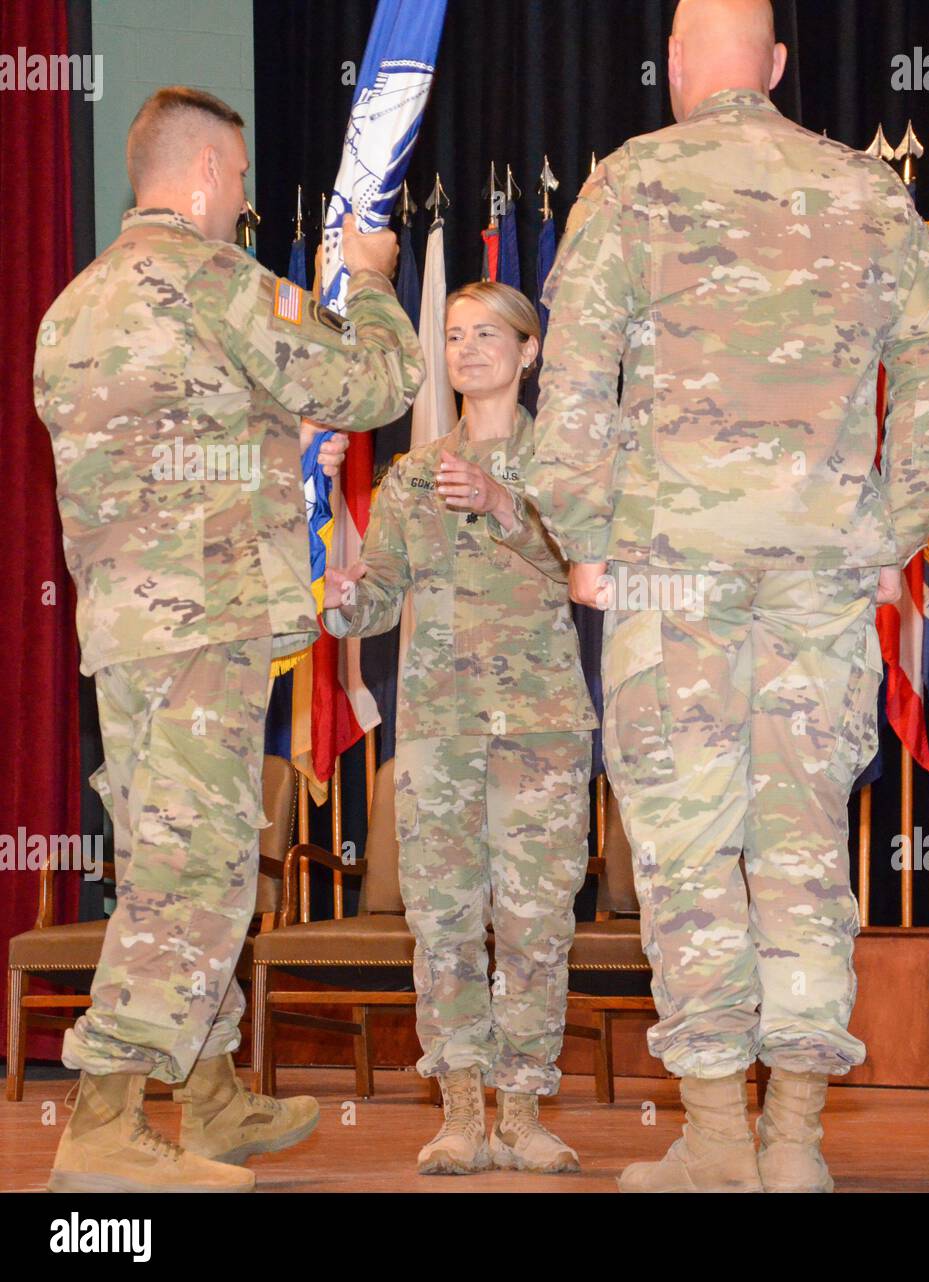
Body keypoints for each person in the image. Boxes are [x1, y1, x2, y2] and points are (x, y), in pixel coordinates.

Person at [525, 0, 929, 1193]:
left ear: (676, 65)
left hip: (671, 574)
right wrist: (895, 523)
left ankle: (718, 1140)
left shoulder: (630, 182)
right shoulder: (868, 189)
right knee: (802, 848)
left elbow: (568, 381)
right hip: (823, 572)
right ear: (773, 66)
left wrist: (581, 529)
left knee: (685, 852)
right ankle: (797, 1142)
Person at [33, 86, 424, 1193]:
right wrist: (378, 279)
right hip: (207, 621)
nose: (243, 201)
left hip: (125, 630)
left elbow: (164, 438)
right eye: (242, 181)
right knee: (196, 873)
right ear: (204, 178)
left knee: (172, 850)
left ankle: (206, 1098)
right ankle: (103, 1123)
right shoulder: (217, 284)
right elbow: (376, 384)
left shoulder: (69, 308)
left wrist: (251, 427)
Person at [322, 281, 597, 1176]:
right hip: (439, 728)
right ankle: (461, 1114)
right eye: (452, 335)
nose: (468, 348)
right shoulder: (409, 476)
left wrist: (503, 503)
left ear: (530, 352)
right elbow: (376, 602)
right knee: (443, 922)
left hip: (542, 728)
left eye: (489, 334)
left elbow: (587, 572)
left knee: (534, 923)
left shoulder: (565, 463)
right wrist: (337, 585)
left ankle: (523, 1113)